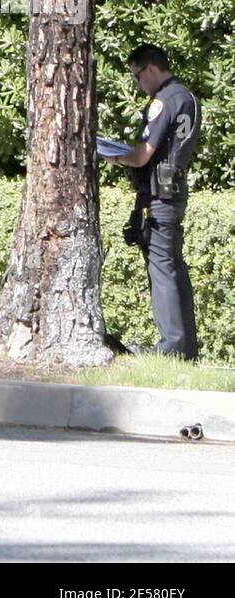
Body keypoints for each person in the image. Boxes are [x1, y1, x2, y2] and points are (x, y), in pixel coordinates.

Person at [109, 43, 202, 361]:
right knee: (175, 269)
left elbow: (142, 155)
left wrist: (116, 156)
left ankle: (171, 348)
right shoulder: (187, 97)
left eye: (138, 76)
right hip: (174, 192)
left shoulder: (163, 101)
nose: (139, 84)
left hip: (159, 196)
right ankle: (187, 348)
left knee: (161, 269)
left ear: (150, 68)